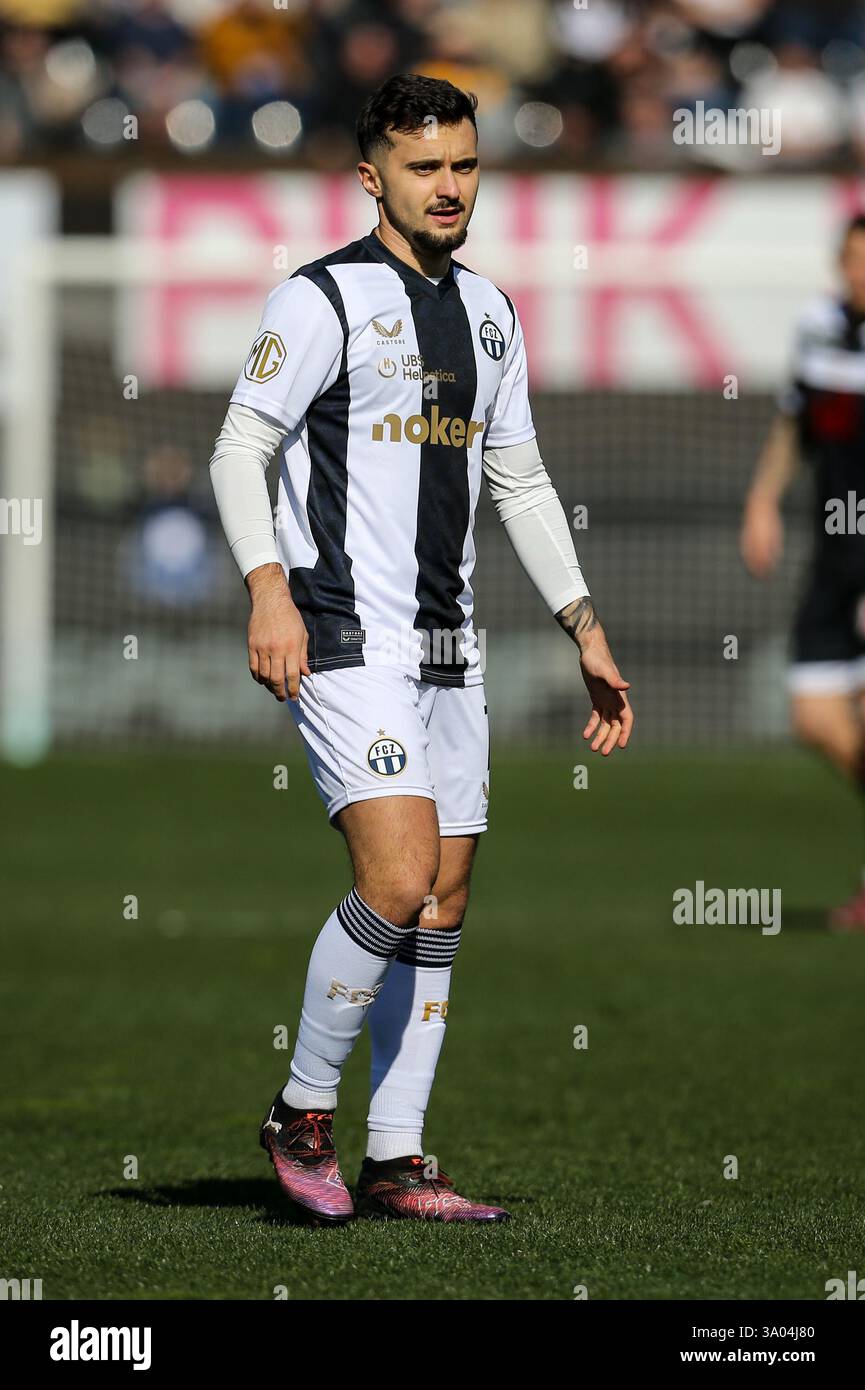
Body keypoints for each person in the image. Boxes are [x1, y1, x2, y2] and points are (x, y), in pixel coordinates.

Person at [210, 72, 633, 1224]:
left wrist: (582, 623)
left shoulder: (491, 312)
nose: (447, 187)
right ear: (371, 176)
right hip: (344, 631)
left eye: (462, 164)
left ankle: (397, 1156)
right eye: (422, 167)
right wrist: (268, 591)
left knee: (440, 903)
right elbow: (238, 448)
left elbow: (520, 476)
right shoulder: (322, 299)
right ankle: (302, 1111)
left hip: (453, 645)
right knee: (393, 880)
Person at [741, 213, 865, 931]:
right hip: (831, 555)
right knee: (813, 717)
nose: (859, 272)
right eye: (851, 259)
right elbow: (793, 425)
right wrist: (761, 501)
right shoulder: (816, 327)